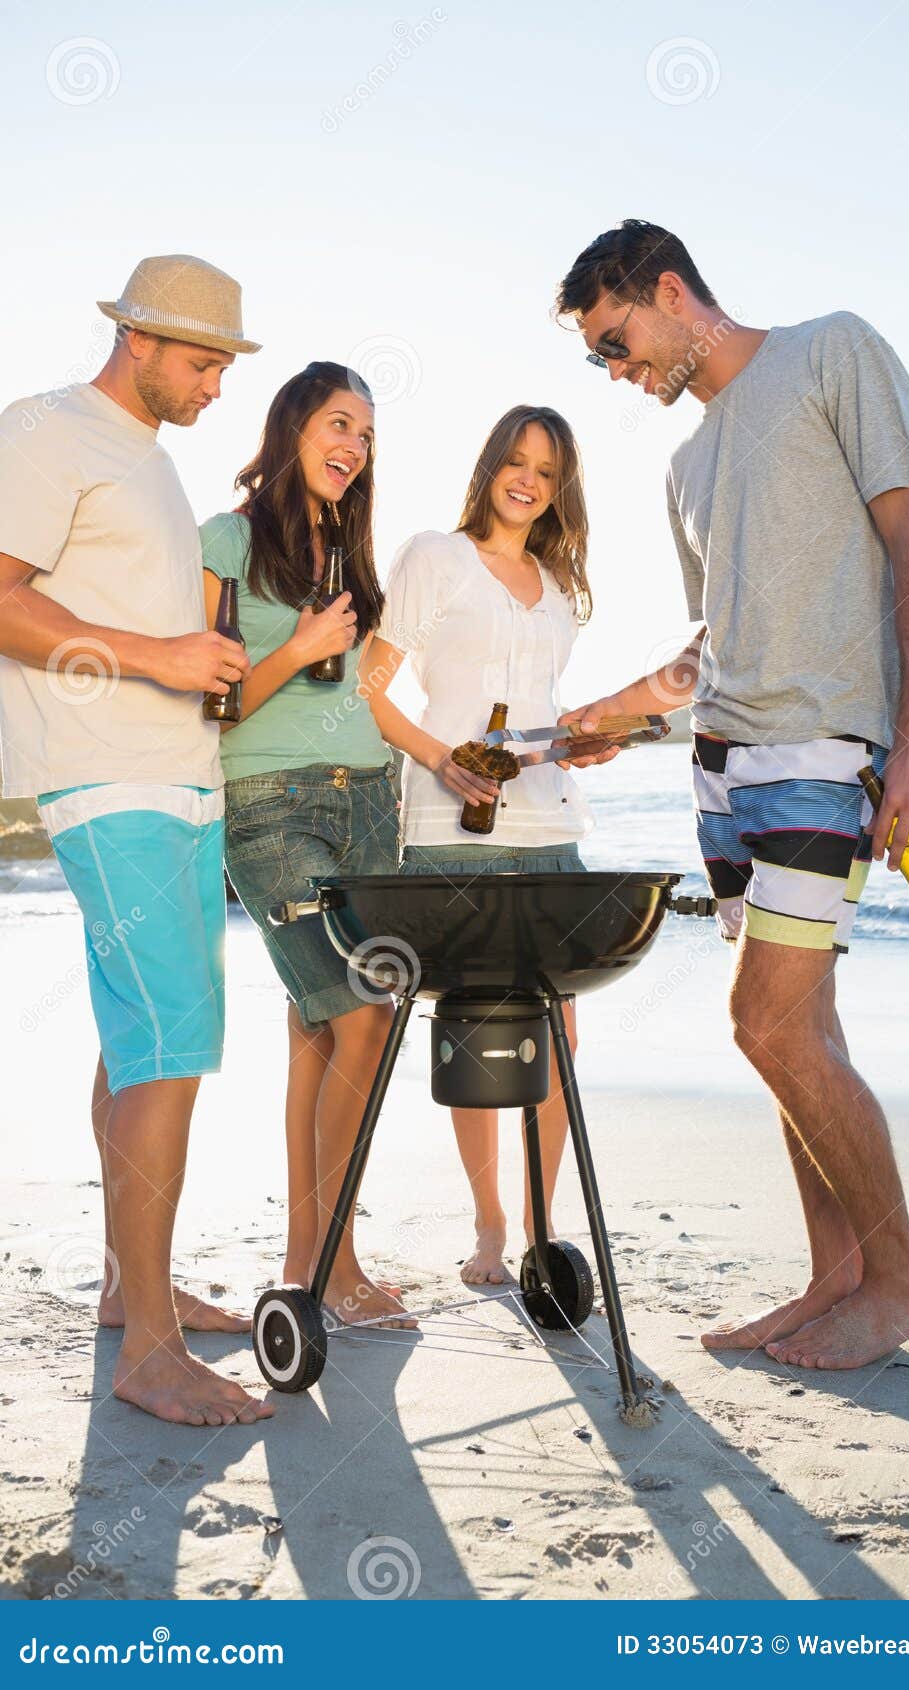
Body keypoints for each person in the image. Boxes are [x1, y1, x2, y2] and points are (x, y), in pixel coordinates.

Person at [555, 220, 909, 1371]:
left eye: (615, 341)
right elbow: (712, 649)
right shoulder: (683, 467)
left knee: (764, 1020)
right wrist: (603, 723)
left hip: (825, 754)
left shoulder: (832, 351)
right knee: (795, 1034)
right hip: (725, 772)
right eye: (598, 358)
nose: (616, 372)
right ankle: (835, 1276)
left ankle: (899, 1281)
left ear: (670, 291)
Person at [0, 254, 273, 1426]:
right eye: (204, 361)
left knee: (141, 1038)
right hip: (104, 775)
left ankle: (133, 1289)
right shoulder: (48, 430)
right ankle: (150, 1351)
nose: (216, 386)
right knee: (168, 1044)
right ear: (140, 341)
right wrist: (158, 657)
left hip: (179, 778)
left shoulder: (151, 463)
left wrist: (199, 658)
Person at [200, 360, 412, 1329]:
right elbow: (210, 702)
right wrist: (299, 647)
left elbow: (369, 693)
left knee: (321, 1026)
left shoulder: (353, 555)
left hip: (372, 798)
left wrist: (444, 758)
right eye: (338, 423)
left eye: (365, 434)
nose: (352, 447)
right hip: (270, 805)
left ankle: (315, 1260)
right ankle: (329, 1263)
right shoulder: (227, 540)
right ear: (291, 427)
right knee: (368, 1013)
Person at [362, 405, 592, 1285]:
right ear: (491, 464)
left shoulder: (559, 582)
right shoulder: (435, 556)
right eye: (516, 459)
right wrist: (442, 760)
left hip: (549, 825)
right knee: (474, 1030)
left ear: (559, 486)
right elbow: (372, 690)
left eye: (546, 467)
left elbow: (539, 715)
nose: (527, 477)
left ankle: (541, 1222)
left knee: (557, 1035)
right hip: (447, 828)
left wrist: (581, 738)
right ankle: (490, 1223)